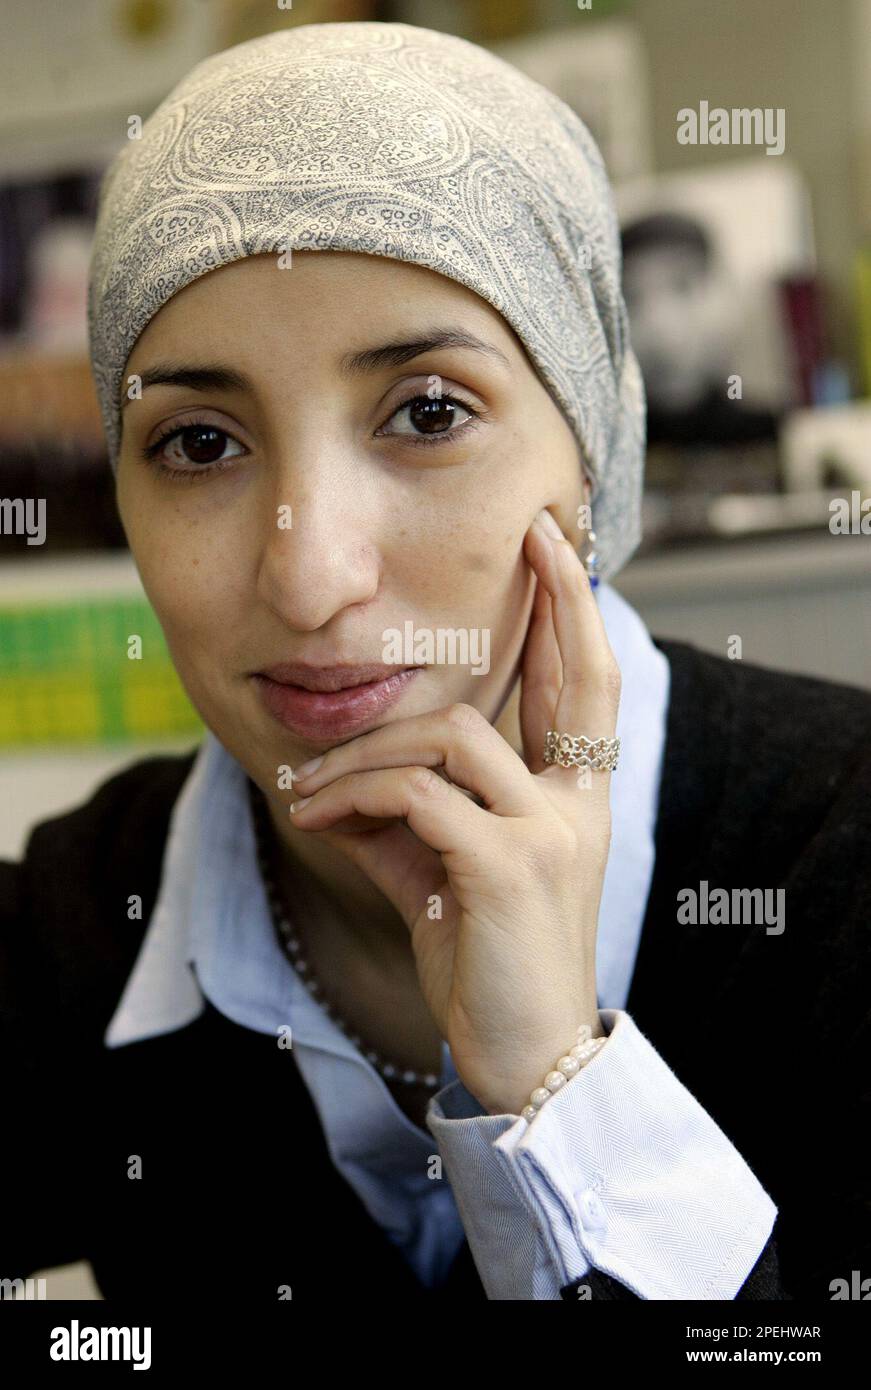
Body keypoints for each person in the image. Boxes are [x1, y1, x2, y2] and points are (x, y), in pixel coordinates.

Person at [3, 22, 869, 1303]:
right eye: (198, 444)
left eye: (427, 413)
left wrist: (560, 1090)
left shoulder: (837, 863)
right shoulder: (69, 931)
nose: (308, 576)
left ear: (591, 454)